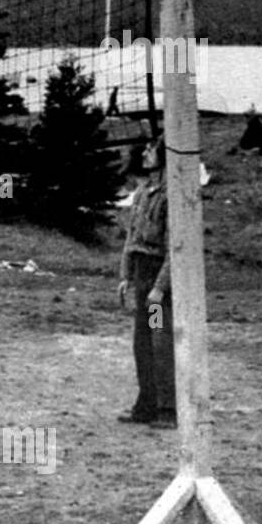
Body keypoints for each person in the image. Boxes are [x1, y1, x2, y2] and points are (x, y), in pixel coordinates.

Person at [117, 135, 176, 429]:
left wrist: (159, 288)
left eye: (152, 150)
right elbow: (130, 239)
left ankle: (167, 408)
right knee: (142, 342)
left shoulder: (169, 196)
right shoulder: (142, 194)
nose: (145, 154)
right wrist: (125, 276)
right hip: (140, 274)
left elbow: (174, 249)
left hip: (156, 275)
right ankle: (146, 405)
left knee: (159, 341)